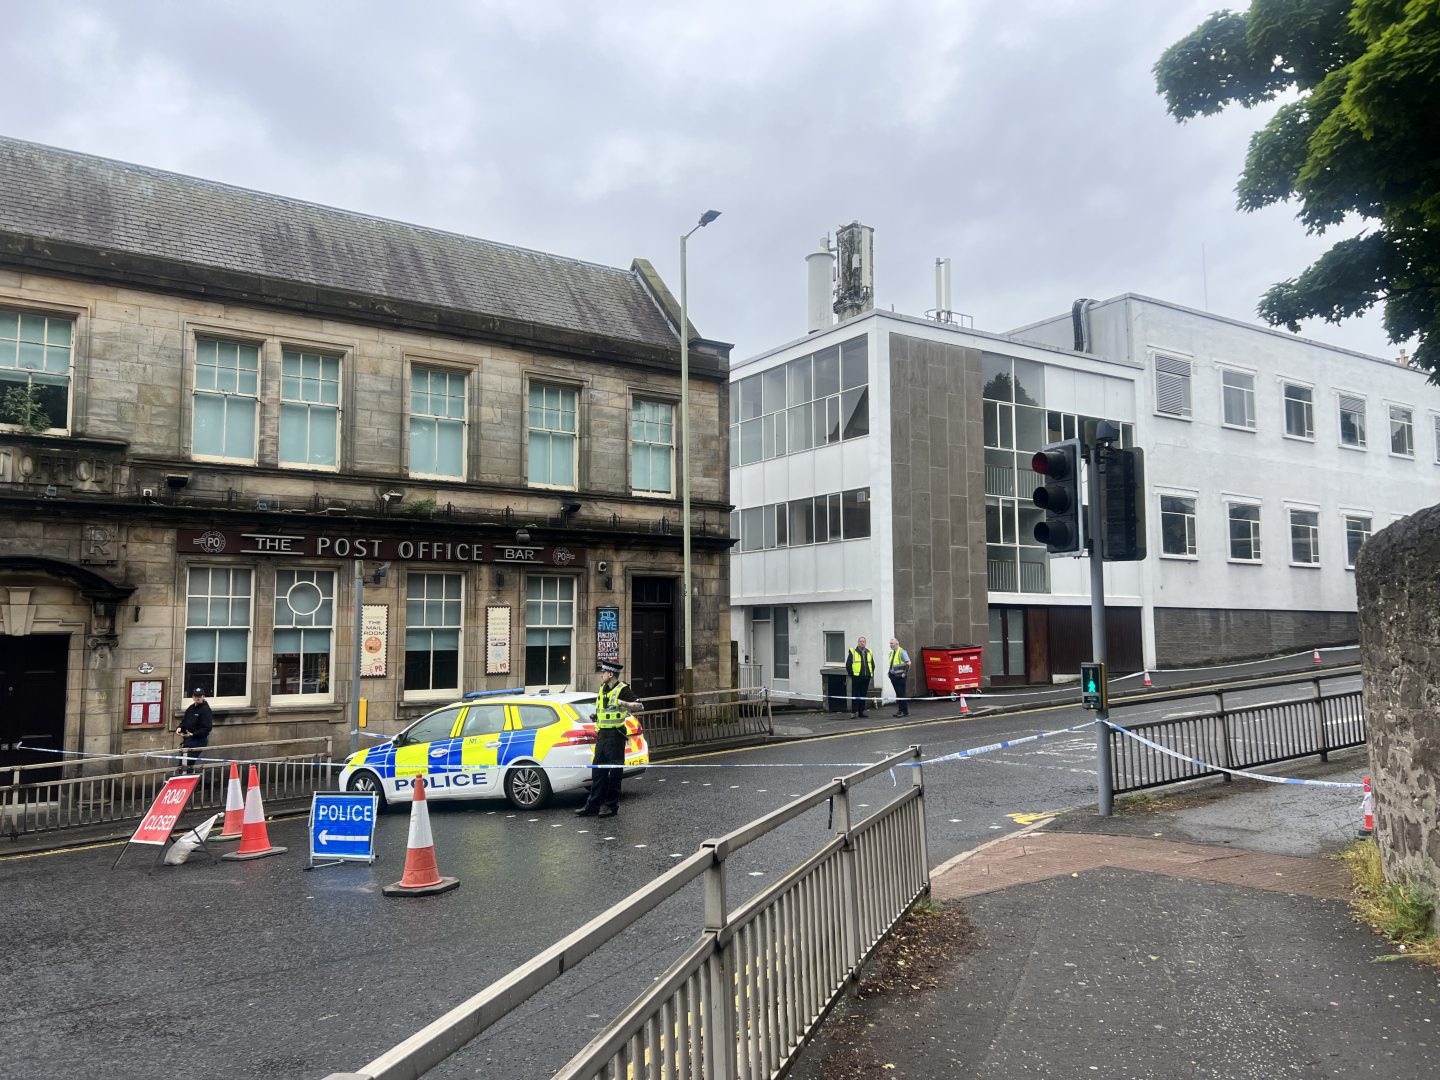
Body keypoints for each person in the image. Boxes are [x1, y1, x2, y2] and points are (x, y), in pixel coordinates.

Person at [576, 661, 643, 818]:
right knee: (598, 772)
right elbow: (605, 709)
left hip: (616, 736)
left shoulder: (622, 689)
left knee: (614, 773)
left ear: (611, 674)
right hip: (602, 735)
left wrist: (622, 703)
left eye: (604, 672)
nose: (601, 674)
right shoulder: (603, 688)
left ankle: (611, 806)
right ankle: (593, 805)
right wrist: (596, 716)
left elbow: (640, 706)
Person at [175, 687, 213, 775]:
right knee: (183, 763)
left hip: (198, 740)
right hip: (188, 740)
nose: (198, 698)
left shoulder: (205, 710)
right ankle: (185, 781)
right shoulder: (191, 708)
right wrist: (180, 727)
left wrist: (193, 734)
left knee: (187, 763)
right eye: (196, 696)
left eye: (200, 696)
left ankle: (190, 782)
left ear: (203, 697)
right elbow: (185, 721)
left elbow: (207, 728)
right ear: (193, 697)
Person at [846, 636, 876, 719]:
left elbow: (872, 664)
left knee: (863, 695)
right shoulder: (853, 651)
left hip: (866, 677)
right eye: (860, 641)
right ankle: (853, 712)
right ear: (858, 642)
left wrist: (870, 674)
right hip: (856, 677)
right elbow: (848, 665)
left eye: (863, 641)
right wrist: (852, 674)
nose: (862, 643)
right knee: (855, 694)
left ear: (865, 643)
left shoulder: (869, 651)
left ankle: (861, 712)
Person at [887, 638, 912, 717]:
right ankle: (902, 711)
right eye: (890, 643)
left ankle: (903, 711)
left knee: (901, 694)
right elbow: (892, 664)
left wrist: (904, 673)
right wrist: (889, 672)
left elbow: (909, 662)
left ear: (897, 644)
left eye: (892, 643)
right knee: (898, 694)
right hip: (893, 676)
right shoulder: (892, 653)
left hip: (900, 676)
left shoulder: (902, 651)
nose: (890, 645)